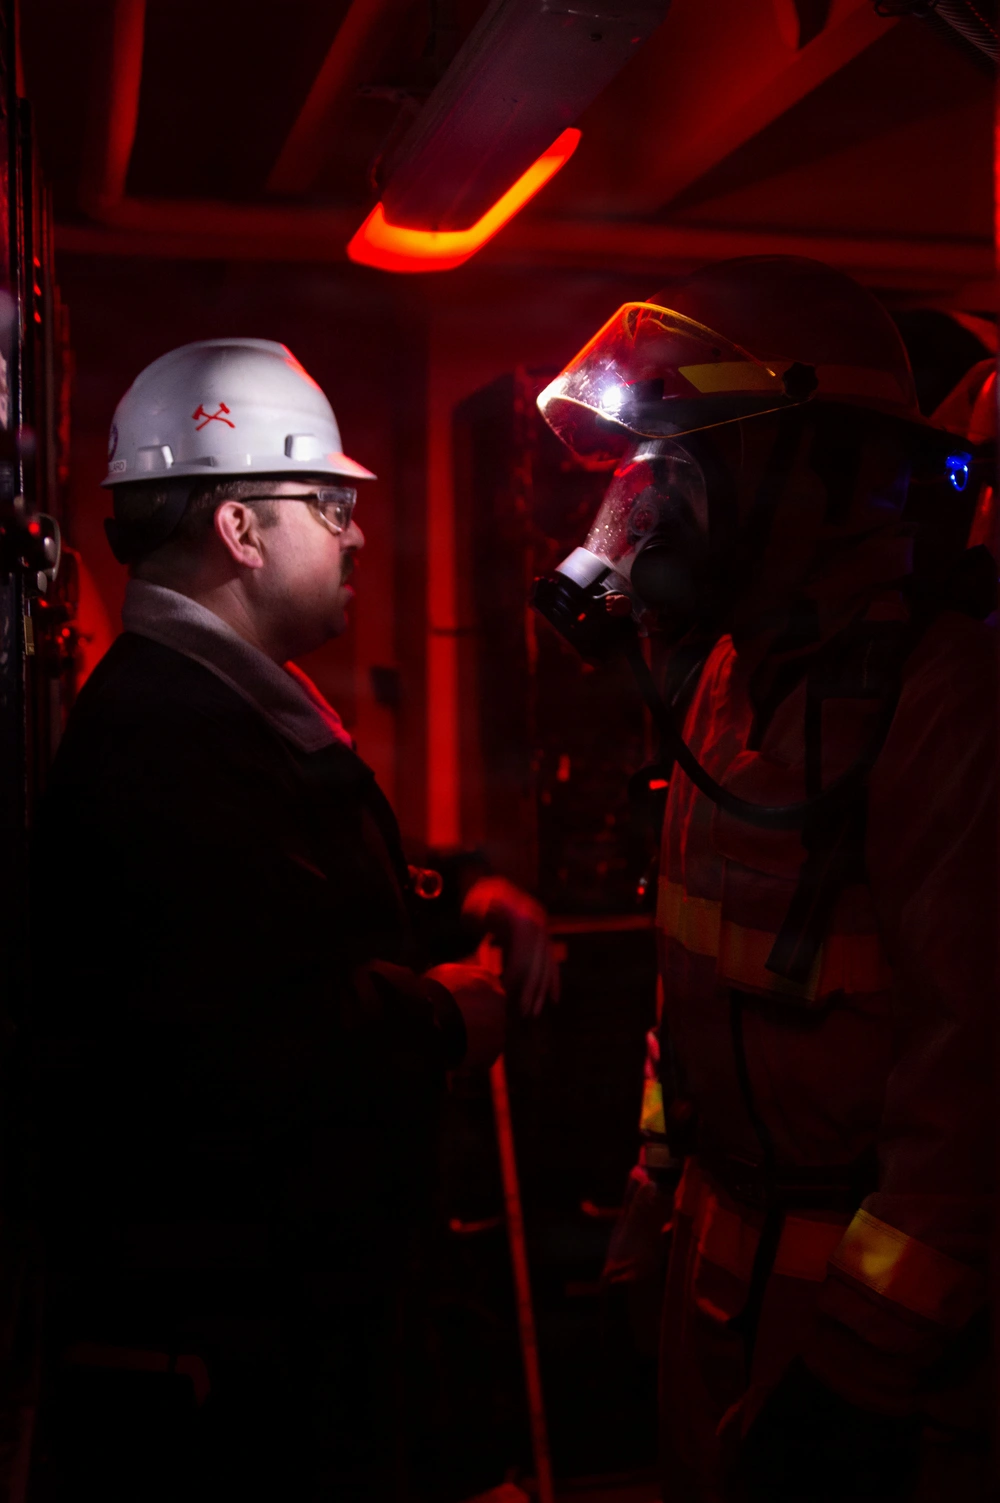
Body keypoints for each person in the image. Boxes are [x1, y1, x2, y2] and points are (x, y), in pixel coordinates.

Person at [27, 338, 556, 1501]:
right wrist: (445, 1019)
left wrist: (458, 892)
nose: (356, 531)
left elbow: (295, 897)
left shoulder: (211, 699)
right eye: (328, 502)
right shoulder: (168, 734)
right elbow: (254, 1024)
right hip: (247, 1369)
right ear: (240, 529)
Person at [531, 258, 995, 1501]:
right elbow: (693, 982)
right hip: (712, 1289)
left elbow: (972, 1108)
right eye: (645, 474)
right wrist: (655, 1192)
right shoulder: (728, 686)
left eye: (684, 465)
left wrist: (860, 1372)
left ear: (821, 471)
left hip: (875, 1360)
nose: (645, 512)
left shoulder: (949, 706)